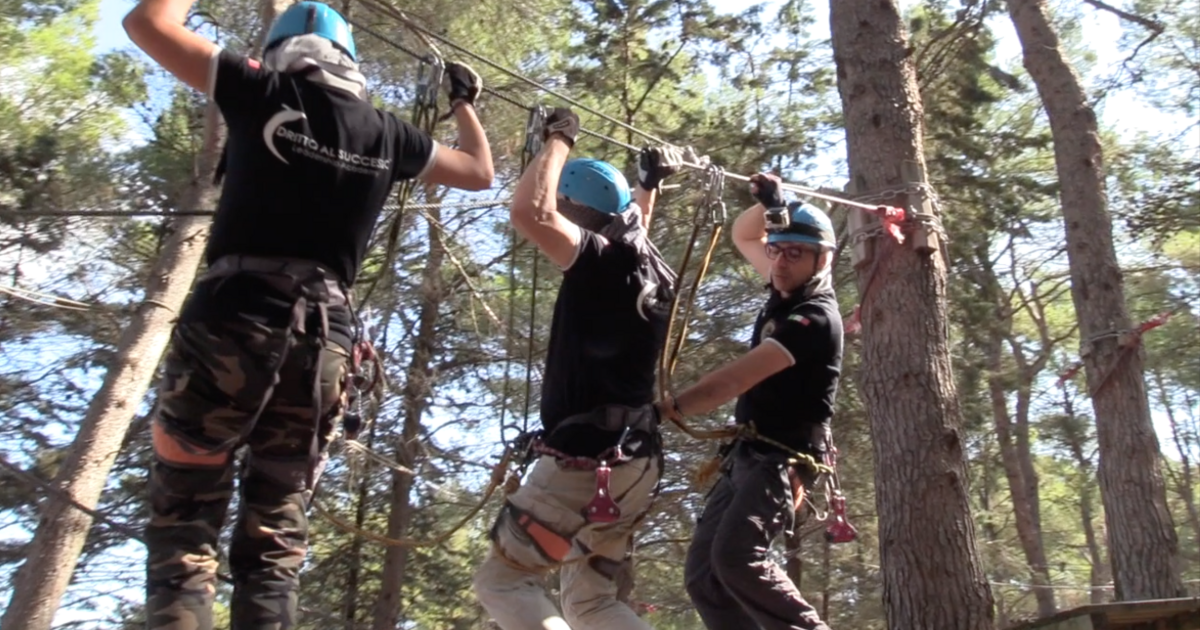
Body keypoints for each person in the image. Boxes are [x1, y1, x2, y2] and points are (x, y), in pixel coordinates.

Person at [122, 1, 494, 627]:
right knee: (273, 548)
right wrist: (463, 103)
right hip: (323, 345)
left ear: (279, 52)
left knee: (185, 528)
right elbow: (480, 172)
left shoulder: (260, 89)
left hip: (235, 320)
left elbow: (146, 25)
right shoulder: (388, 133)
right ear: (350, 59)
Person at [472, 107, 683, 630]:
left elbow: (531, 213)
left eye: (567, 207)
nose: (559, 215)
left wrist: (559, 139)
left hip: (584, 464)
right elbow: (634, 227)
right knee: (590, 604)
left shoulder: (600, 261)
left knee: (503, 582)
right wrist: (647, 185)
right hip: (633, 463)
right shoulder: (649, 267)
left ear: (577, 210)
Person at [656, 174, 843, 630]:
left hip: (781, 459)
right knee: (704, 577)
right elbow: (744, 233)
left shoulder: (814, 318)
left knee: (738, 558)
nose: (778, 263)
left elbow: (733, 381)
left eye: (794, 253)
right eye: (775, 250)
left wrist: (668, 409)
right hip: (748, 456)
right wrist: (774, 205)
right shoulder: (786, 285)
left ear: (823, 260)